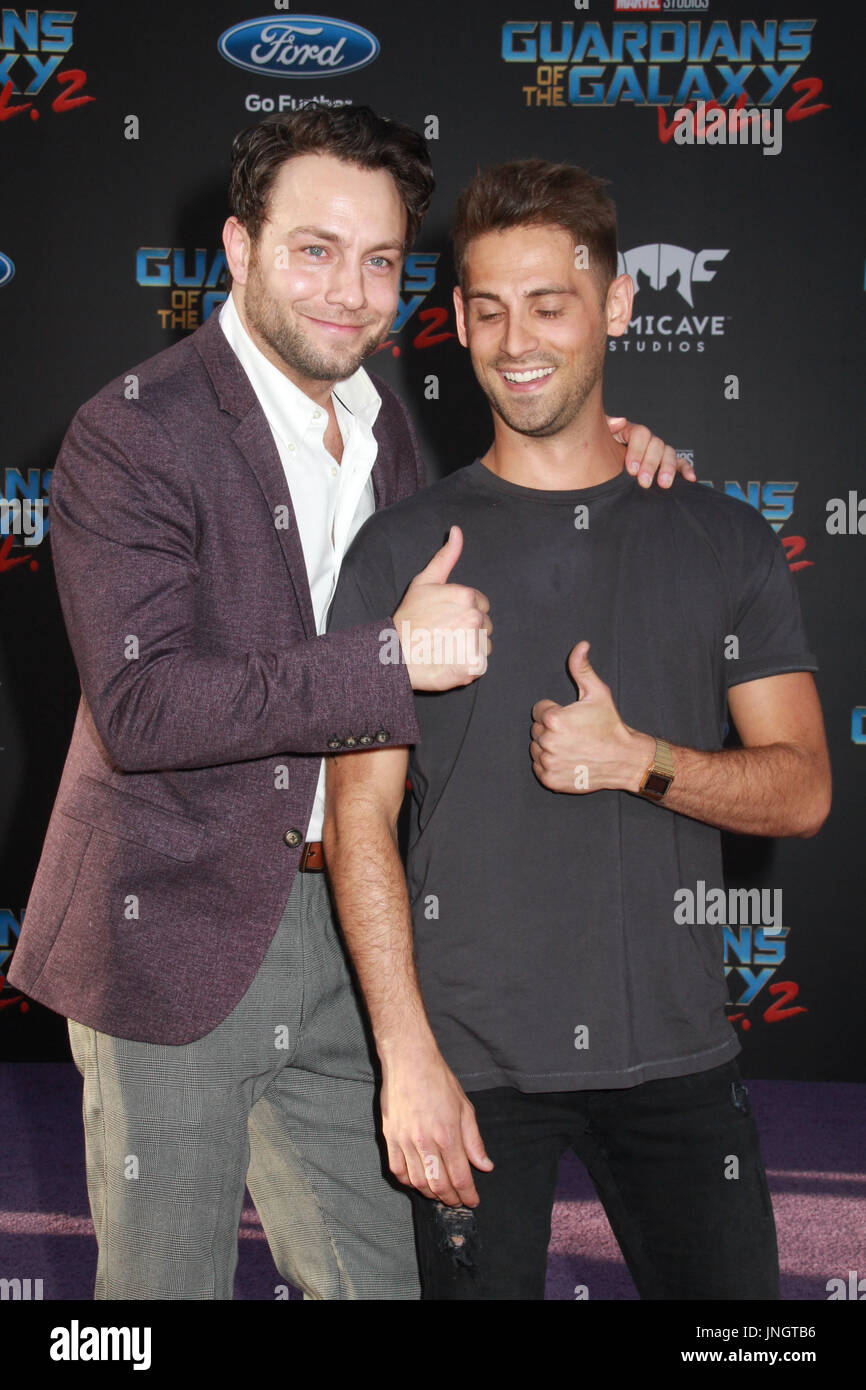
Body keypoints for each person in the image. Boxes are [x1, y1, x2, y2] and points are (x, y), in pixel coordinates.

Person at [8, 112, 682, 1300]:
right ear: (238, 247)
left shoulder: (385, 428)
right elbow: (142, 705)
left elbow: (480, 565)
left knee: (385, 1280)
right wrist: (385, 659)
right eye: (313, 250)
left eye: (378, 261)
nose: (349, 291)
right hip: (171, 929)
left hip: (355, 923)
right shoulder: (134, 430)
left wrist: (602, 456)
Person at [324, 158, 832, 1300]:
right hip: (469, 1065)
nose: (516, 342)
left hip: (678, 1056)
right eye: (489, 309)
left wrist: (641, 762)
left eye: (549, 305)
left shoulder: (722, 538)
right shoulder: (400, 552)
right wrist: (405, 1059)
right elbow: (359, 820)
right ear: (457, 321)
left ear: (615, 305)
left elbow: (801, 791)